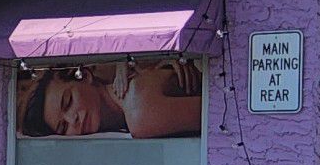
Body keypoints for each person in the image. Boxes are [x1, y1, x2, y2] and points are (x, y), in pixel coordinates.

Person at [18, 57, 202, 141]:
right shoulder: (131, 112)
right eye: (63, 127)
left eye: (69, 102)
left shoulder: (139, 114)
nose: (72, 119)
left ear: (84, 76)